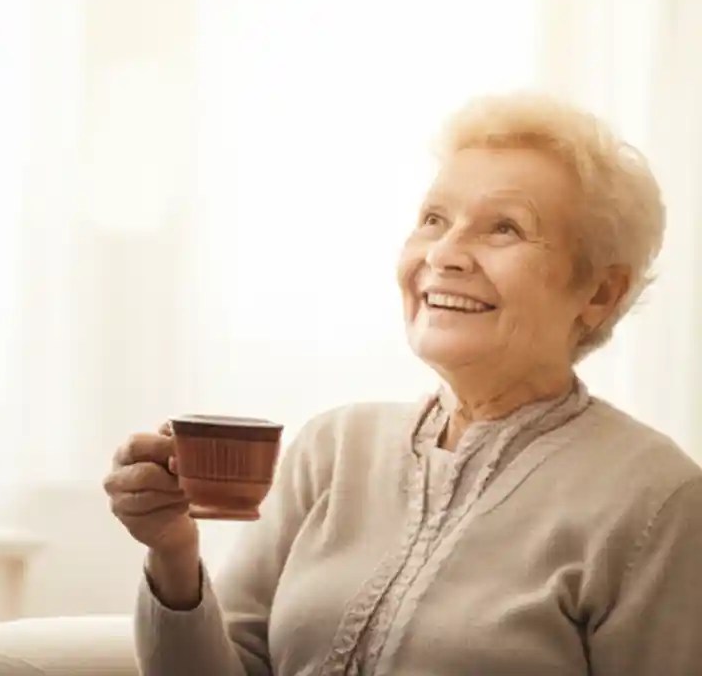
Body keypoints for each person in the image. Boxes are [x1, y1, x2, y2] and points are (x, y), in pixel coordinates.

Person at [106, 92, 702, 675]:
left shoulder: (656, 499)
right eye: (433, 219)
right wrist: (174, 553)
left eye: (504, 229)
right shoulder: (332, 449)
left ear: (599, 293)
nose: (444, 254)